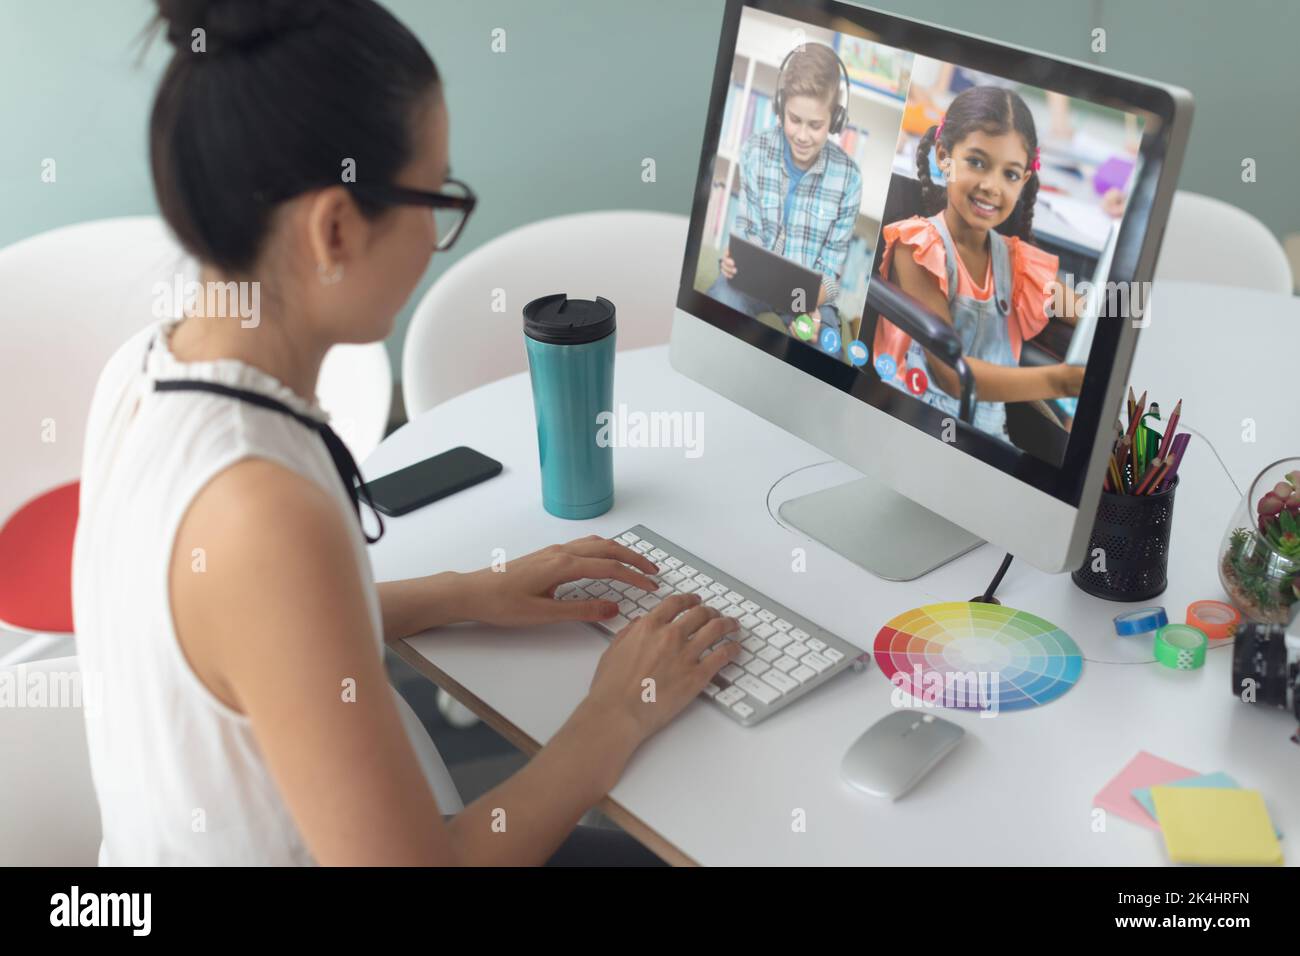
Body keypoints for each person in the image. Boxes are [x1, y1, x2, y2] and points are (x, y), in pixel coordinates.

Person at [71, 0, 740, 866]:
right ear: (337, 226)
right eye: (436, 197)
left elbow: (253, 636)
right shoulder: (260, 511)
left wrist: (467, 591)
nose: (436, 238)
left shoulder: (141, 371)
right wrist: (618, 711)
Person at [872, 85, 1083, 442]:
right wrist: (1060, 380)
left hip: (986, 440)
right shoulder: (919, 246)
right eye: (977, 162)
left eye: (1010, 174)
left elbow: (1089, 314)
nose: (992, 186)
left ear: (1024, 180)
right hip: (911, 428)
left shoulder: (1017, 264)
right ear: (944, 155)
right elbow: (952, 377)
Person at [707, 42, 863, 358]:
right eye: (794, 119)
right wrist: (731, 260)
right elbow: (746, 230)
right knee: (718, 309)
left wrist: (813, 307)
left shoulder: (849, 178)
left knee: (824, 356)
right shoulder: (754, 151)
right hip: (753, 287)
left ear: (835, 120)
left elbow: (832, 272)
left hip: (811, 299)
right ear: (780, 107)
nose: (803, 135)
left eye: (816, 125)